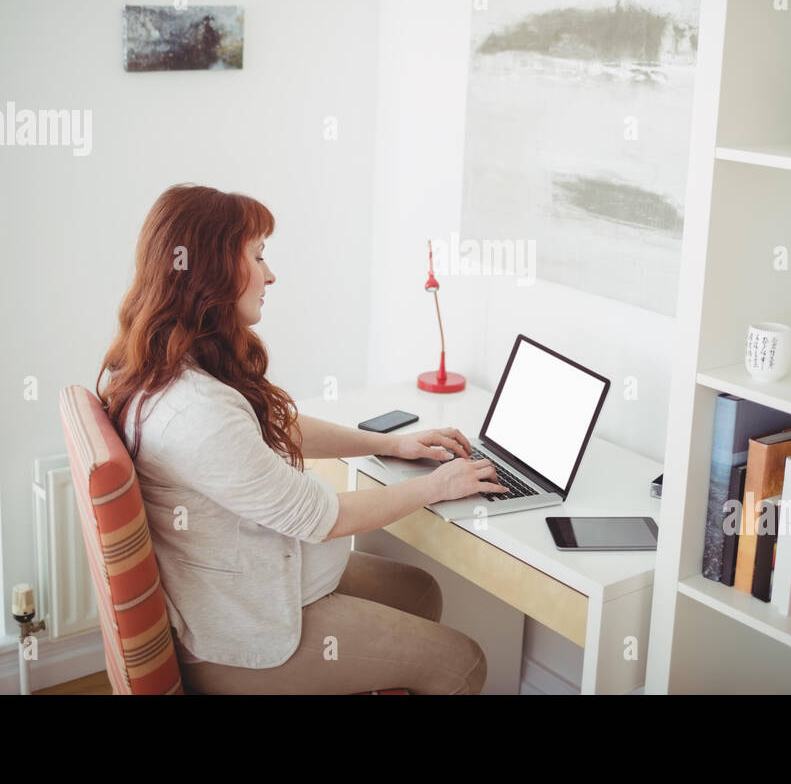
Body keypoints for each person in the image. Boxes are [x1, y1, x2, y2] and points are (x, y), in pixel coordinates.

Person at [96, 183, 505, 694]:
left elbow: (270, 424)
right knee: (462, 663)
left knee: (420, 591)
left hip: (256, 583)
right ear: (211, 271)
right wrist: (438, 486)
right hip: (250, 635)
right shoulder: (194, 412)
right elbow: (320, 518)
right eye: (258, 256)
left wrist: (390, 444)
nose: (271, 274)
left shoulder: (177, 365)